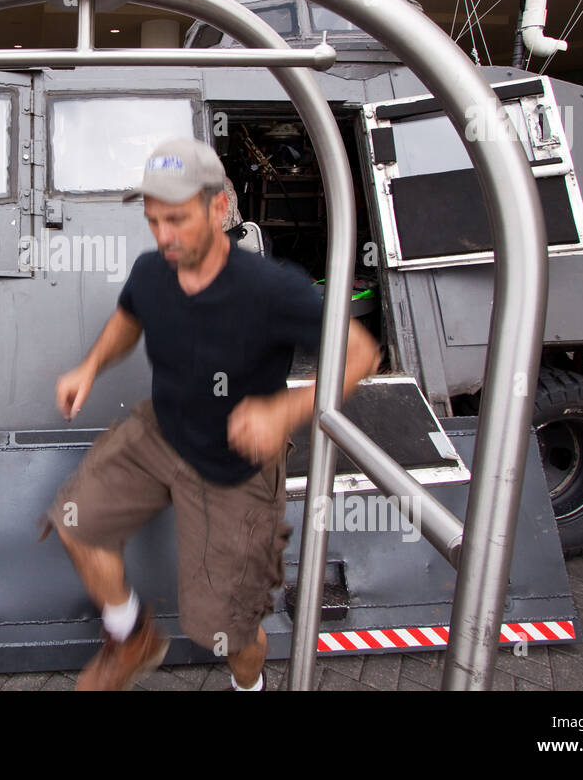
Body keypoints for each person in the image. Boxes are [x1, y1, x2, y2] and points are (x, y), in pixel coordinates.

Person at [46, 136, 380, 691]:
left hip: (235, 465)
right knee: (76, 522)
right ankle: (132, 638)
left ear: (219, 207)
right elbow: (130, 318)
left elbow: (362, 353)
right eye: (154, 221)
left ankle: (249, 686)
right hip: (163, 430)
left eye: (177, 219)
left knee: (227, 630)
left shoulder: (272, 289)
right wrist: (89, 367)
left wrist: (285, 408)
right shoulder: (152, 270)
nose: (164, 236)